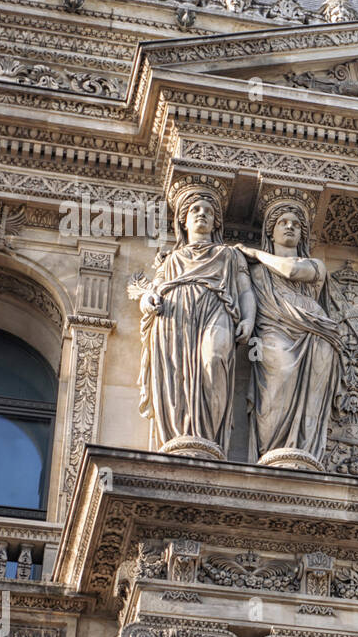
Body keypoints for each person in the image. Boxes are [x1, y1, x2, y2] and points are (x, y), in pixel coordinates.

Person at [138, 186, 254, 459]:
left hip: (216, 308)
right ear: (184, 220)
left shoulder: (229, 255)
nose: (202, 214)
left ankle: (207, 437)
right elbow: (155, 288)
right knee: (177, 374)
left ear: (216, 222)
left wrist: (248, 318)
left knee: (214, 360)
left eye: (209, 212)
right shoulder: (172, 258)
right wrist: (147, 300)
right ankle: (183, 435)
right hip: (174, 313)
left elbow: (245, 289)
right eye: (195, 210)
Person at [237, 200, 344, 469]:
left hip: (317, 334)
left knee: (312, 398)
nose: (290, 227)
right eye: (283, 223)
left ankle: (304, 452)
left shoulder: (315, 265)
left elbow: (291, 270)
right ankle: (274, 453)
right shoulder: (255, 273)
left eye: (296, 225)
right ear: (270, 231)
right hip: (272, 330)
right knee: (279, 377)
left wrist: (255, 253)